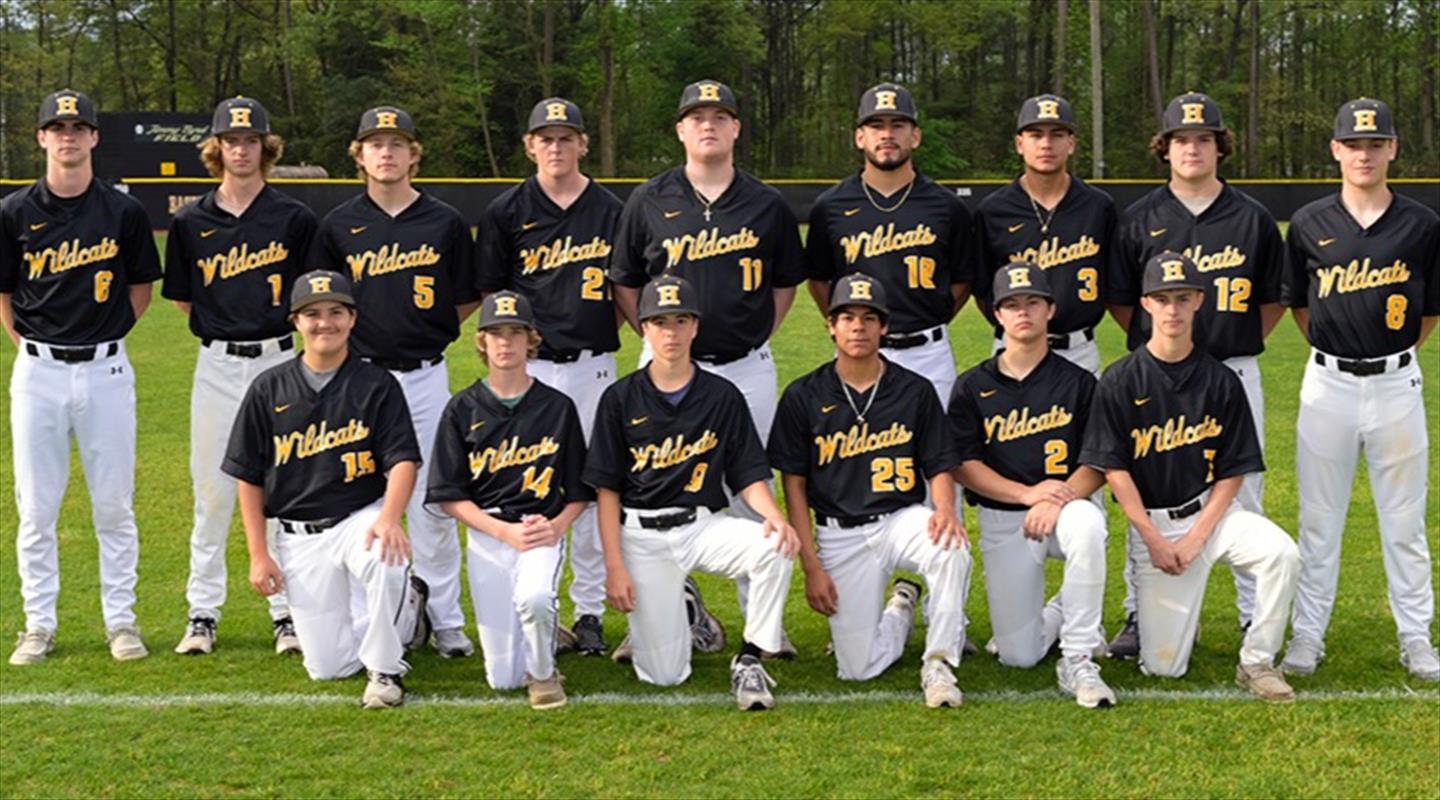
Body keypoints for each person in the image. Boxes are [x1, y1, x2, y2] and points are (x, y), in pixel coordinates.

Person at [608, 79, 804, 659]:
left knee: (750, 487)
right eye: (697, 116)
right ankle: (658, 614)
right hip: (664, 365)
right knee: (654, 485)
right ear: (680, 129)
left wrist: (754, 333)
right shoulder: (649, 199)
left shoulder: (766, 203)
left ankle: (762, 625)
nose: (708, 125)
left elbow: (785, 284)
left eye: (720, 116)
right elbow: (625, 281)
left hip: (745, 366)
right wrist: (656, 339)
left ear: (736, 127)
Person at [1105, 92, 1284, 657]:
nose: (1192, 148)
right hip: (1155, 377)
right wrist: (1164, 349)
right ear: (1165, 148)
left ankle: (1253, 616)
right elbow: (1122, 301)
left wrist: (1229, 345)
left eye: (1203, 138)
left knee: (1243, 491)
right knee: (1150, 492)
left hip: (1231, 370)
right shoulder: (1139, 218)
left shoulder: (1253, 217)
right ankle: (1140, 611)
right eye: (1181, 139)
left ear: (1219, 147)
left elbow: (1272, 300)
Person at [1080, 251, 1299, 702]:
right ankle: (1181, 617)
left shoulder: (1221, 380)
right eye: (1162, 299)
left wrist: (1198, 536)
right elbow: (1115, 470)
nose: (1173, 310)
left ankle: (1257, 661)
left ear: (1199, 300)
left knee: (1281, 553)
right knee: (1164, 667)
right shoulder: (1120, 380)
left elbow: (1233, 471)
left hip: (1213, 518)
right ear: (1145, 304)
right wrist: (1153, 539)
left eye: (1183, 298)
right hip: (1155, 527)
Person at [1279, 98, 1439, 681]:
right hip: (1328, 384)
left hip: (1396, 382)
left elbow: (1428, 311)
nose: (1364, 154)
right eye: (1353, 144)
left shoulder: (1422, 224)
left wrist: (1391, 356)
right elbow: (1300, 307)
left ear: (1392, 148)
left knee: (1405, 522)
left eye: (1375, 144)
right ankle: (1307, 635)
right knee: (1319, 520)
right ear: (1336, 150)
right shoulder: (1309, 222)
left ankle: (1416, 636)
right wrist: (1336, 349)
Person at [310, 106, 480, 658]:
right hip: (360, 381)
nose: (387, 152)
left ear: (413, 154)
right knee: (360, 497)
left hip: (425, 374)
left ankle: (445, 620)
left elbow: (466, 296)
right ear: (359, 156)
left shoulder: (444, 221)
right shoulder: (338, 225)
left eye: (397, 143)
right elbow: (322, 304)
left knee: (432, 501)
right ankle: (373, 620)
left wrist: (422, 330)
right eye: (376, 144)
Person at [584, 276, 799, 711]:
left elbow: (748, 473)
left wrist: (774, 515)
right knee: (664, 676)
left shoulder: (722, 395)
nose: (672, 333)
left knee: (774, 546)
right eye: (660, 322)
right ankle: (685, 608)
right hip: (642, 537)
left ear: (696, 327)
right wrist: (614, 566)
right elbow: (607, 492)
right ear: (644, 328)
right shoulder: (620, 398)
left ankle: (749, 659)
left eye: (681, 321)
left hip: (702, 527)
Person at [2, 89, 162, 665]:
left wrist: (106, 336)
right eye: (57, 128)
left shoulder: (123, 211)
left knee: (113, 506)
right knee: (37, 509)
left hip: (106, 371)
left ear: (94, 136)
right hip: (38, 372)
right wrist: (31, 347)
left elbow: (140, 289)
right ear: (41, 138)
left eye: (78, 128)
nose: (67, 136)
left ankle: (121, 621)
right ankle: (38, 624)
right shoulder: (13, 211)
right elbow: (4, 293)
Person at [224, 270, 431, 709]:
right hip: (298, 535)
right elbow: (248, 475)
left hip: (360, 517)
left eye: (336, 312)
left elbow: (402, 460)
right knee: (328, 667)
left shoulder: (376, 383)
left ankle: (385, 670)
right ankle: (406, 610)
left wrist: (389, 518)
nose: (325, 323)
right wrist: (259, 554)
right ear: (296, 322)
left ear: (352, 318)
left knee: (385, 558)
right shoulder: (268, 387)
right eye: (312, 314)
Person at [769, 273, 969, 709]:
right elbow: (794, 486)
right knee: (857, 668)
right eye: (847, 317)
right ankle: (901, 609)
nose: (858, 327)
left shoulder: (914, 390)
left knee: (951, 547)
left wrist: (944, 509)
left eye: (868, 318)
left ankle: (938, 663)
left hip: (901, 520)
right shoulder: (804, 395)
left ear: (884, 327)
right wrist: (811, 566)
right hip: (840, 533)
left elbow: (939, 463)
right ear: (830, 326)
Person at [165, 96, 317, 656]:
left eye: (251, 140)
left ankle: (287, 613)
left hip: (280, 360)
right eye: (231, 140)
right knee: (212, 492)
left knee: (284, 488)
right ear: (217, 149)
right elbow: (184, 300)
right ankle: (202, 611)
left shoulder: (294, 218)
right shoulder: (191, 221)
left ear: (265, 148)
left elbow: (311, 297)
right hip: (219, 364)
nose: (242, 149)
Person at [476, 98, 622, 657]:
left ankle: (589, 610)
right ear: (529, 145)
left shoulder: (611, 209)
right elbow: (492, 297)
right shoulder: (507, 210)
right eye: (546, 138)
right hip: (530, 369)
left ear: (582, 143)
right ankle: (538, 603)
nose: (555, 147)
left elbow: (626, 289)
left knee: (593, 484)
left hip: (593, 367)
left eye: (565, 137)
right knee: (531, 484)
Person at [949, 263, 1114, 708]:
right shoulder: (973, 386)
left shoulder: (1079, 382)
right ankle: (1065, 604)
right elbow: (964, 465)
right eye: (1012, 304)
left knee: (1088, 526)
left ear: (1050, 310)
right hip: (1004, 517)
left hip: (1065, 508)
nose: (1023, 312)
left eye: (1033, 303)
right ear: (997, 315)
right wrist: (1026, 495)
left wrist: (1056, 500)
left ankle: (1078, 656)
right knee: (1019, 657)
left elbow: (1098, 462)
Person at [428, 291, 594, 709]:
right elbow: (449, 495)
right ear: (482, 342)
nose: (506, 342)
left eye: (515, 333)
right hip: (489, 532)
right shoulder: (462, 408)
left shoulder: (557, 406)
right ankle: (542, 631)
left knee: (534, 598)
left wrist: (556, 527)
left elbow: (580, 490)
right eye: (496, 333)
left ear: (531, 339)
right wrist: (502, 531)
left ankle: (544, 673)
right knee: (502, 678)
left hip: (540, 528)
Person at [805, 82, 976, 409]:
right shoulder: (830, 206)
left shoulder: (947, 206)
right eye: (876, 126)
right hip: (856, 353)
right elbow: (818, 279)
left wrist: (930, 317)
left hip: (928, 354)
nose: (887, 134)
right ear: (859, 137)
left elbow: (963, 279)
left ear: (915, 136)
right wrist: (847, 327)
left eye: (898, 125)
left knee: (934, 441)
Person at [974, 94, 1118, 377]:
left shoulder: (1098, 207)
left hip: (1078, 349)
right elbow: (982, 290)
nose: (1046, 144)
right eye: (1035, 134)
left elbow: (1115, 283)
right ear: (1019, 144)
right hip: (1013, 348)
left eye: (1057, 134)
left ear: (1071, 143)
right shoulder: (993, 210)